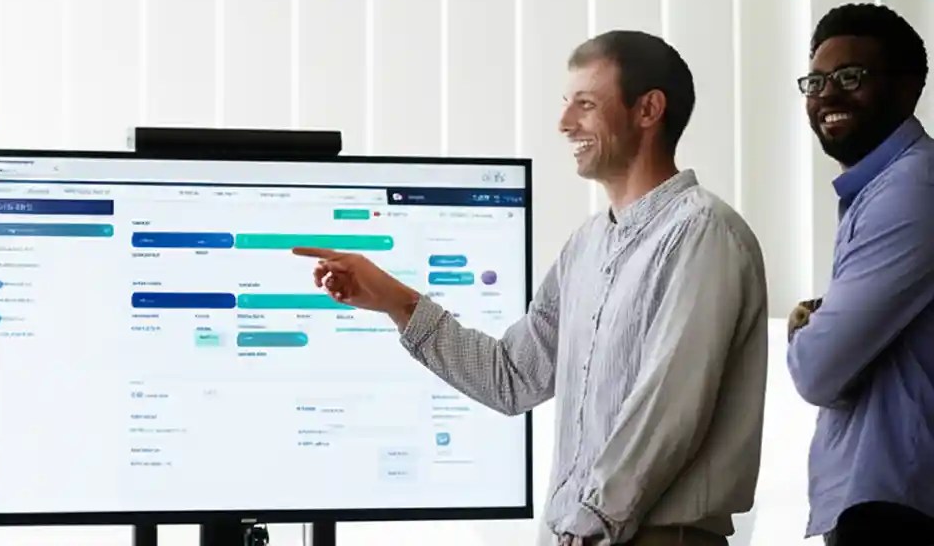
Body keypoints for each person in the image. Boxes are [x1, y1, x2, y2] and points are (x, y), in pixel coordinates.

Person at [295, 30, 768, 545]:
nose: (565, 124)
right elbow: (512, 377)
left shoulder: (702, 233)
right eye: (567, 106)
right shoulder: (586, 246)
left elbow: (667, 414)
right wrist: (394, 300)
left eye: (585, 104)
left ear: (648, 109)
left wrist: (587, 528)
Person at [786, 3, 934, 545]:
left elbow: (820, 370)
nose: (827, 95)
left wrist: (804, 331)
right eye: (817, 81)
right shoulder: (878, 189)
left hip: (898, 510)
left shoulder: (912, 190)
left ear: (908, 88)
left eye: (851, 77)